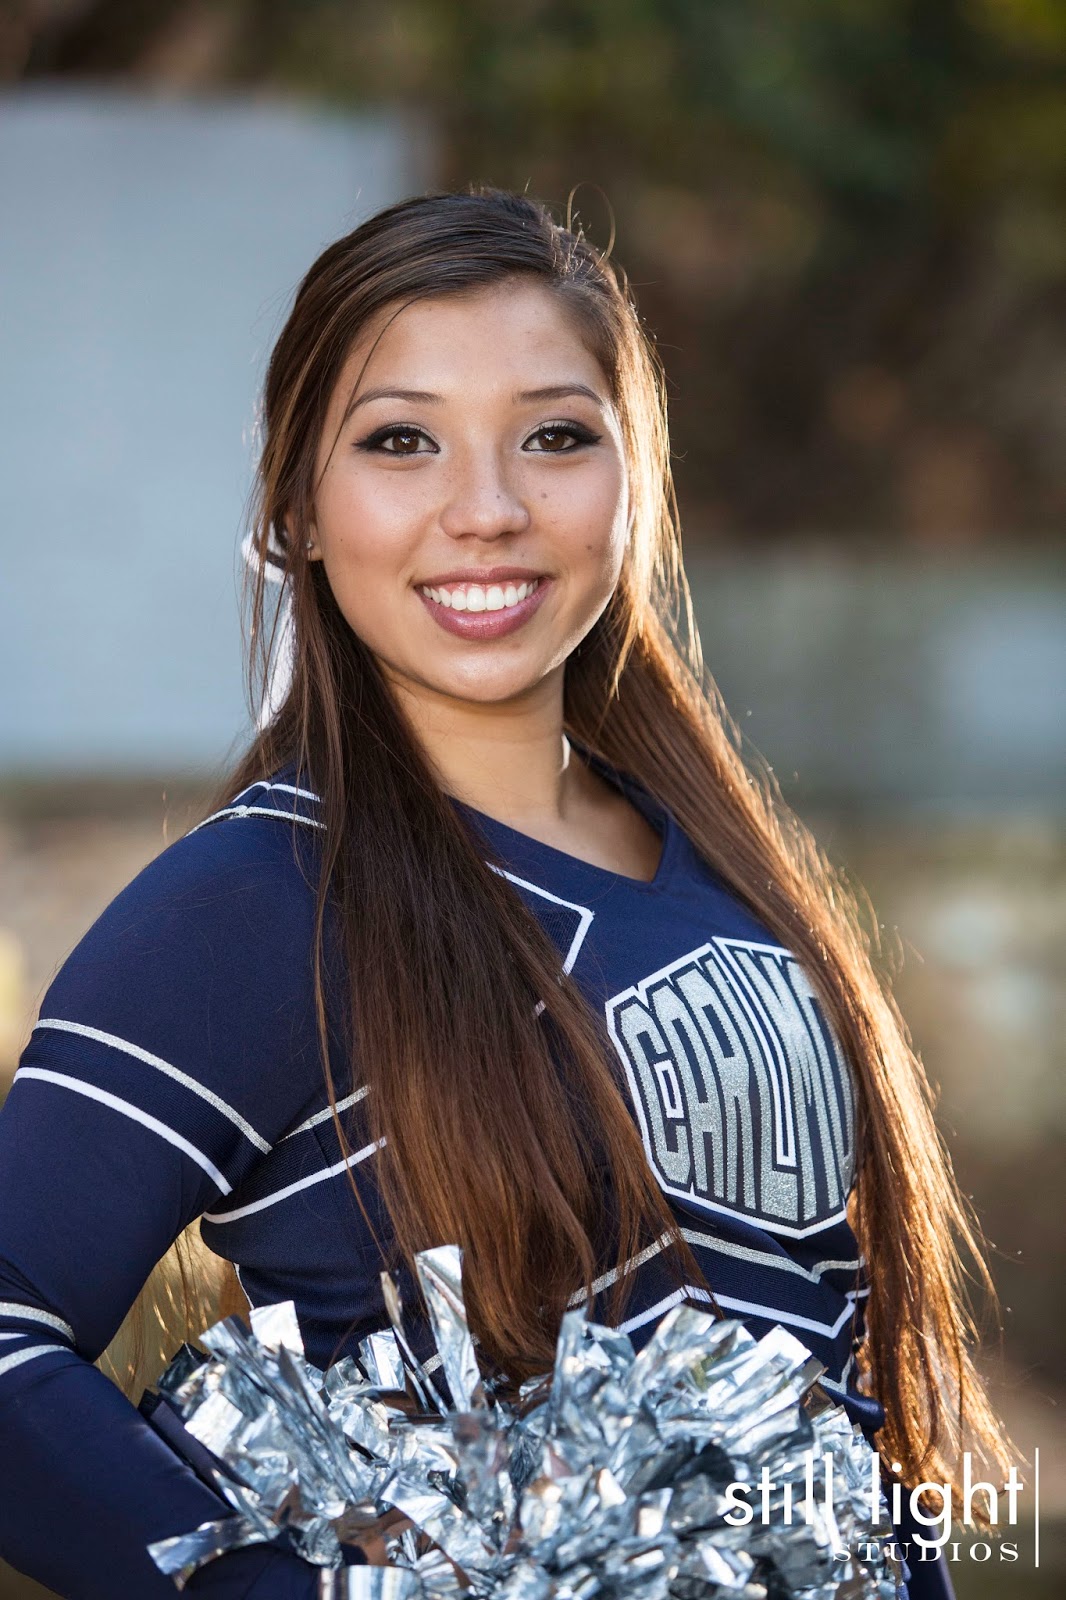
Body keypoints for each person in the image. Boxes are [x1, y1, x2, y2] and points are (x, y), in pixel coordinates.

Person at [0, 188, 1007, 1599]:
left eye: (553, 437)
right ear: (297, 503)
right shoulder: (259, 902)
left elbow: (838, 1422)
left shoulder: (732, 880)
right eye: (400, 442)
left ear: (635, 478)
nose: (486, 511)